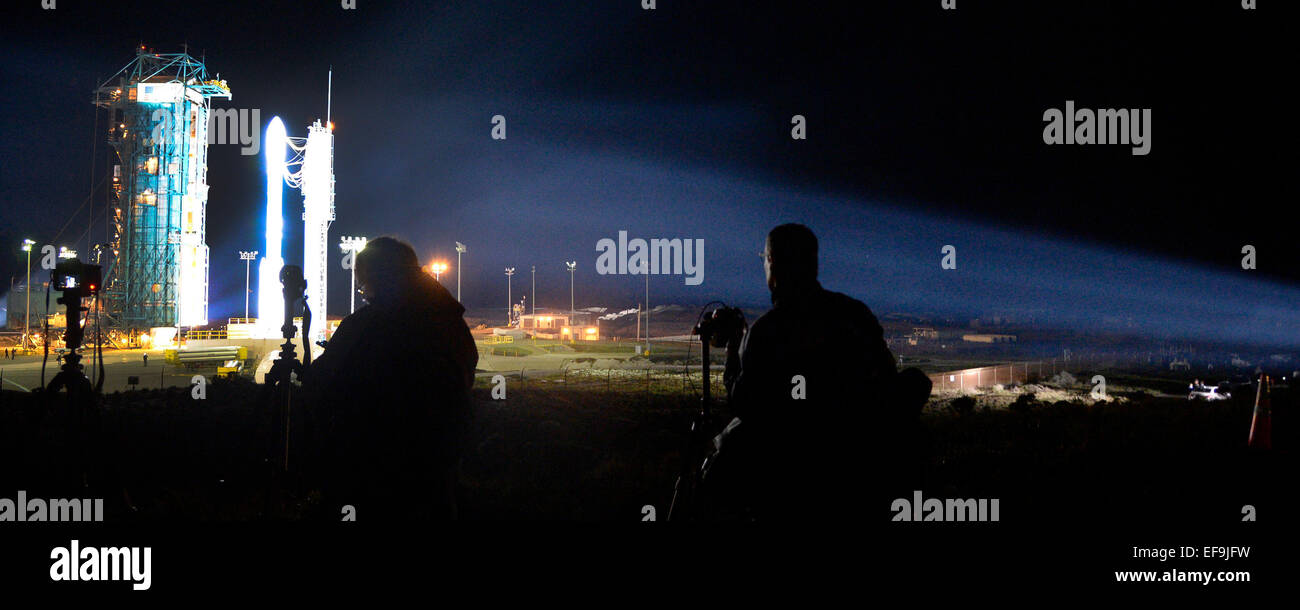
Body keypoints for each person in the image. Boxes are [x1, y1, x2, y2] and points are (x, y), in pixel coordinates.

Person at [705, 223, 930, 522]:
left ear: (771, 261)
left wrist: (734, 348)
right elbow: (884, 380)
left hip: (791, 484)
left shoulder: (767, 332)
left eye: (765, 259)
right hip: (859, 476)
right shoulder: (855, 315)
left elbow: (746, 404)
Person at [308, 236, 478, 520]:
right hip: (438, 474)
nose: (366, 296)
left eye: (364, 287)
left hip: (374, 478)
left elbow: (322, 388)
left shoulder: (367, 327)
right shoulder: (452, 324)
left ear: (380, 278)